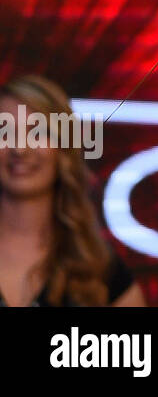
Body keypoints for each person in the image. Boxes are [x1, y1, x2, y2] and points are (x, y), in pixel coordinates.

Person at [0, 74, 145, 307]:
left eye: (38, 133)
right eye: (4, 132)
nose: (20, 148)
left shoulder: (103, 272)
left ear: (63, 148)